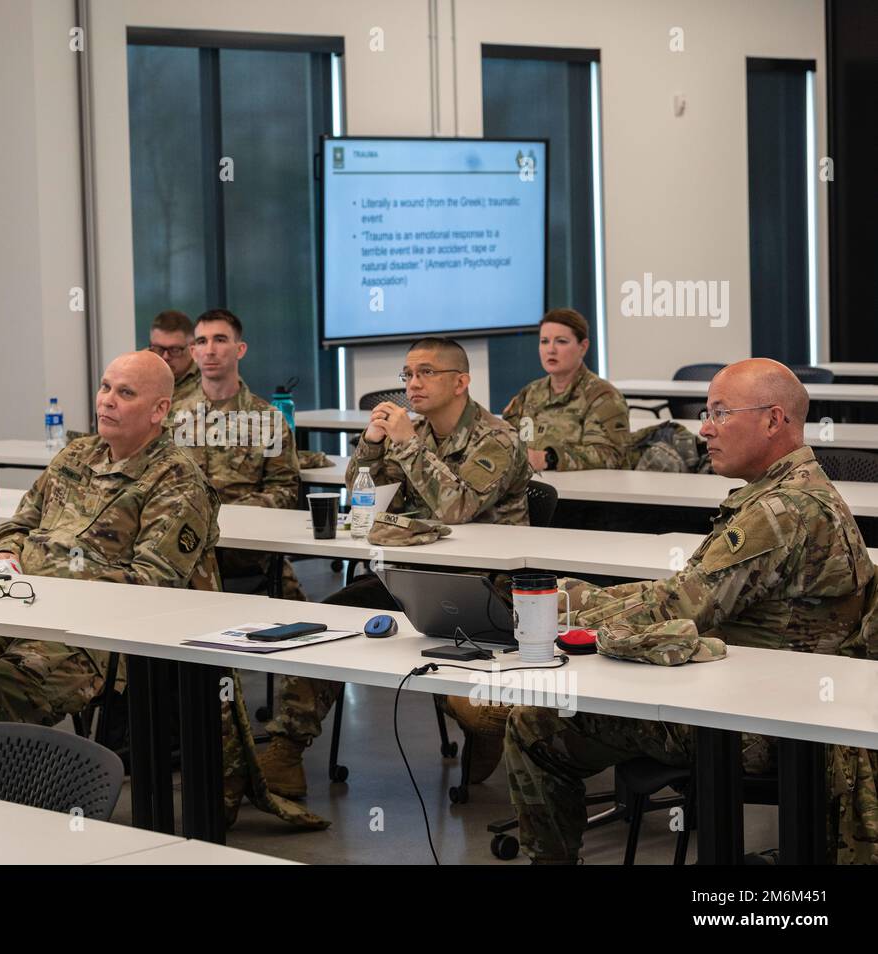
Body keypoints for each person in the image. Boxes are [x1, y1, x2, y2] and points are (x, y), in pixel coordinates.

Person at [506, 359, 878, 864]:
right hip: (775, 702)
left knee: (535, 721)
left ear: (773, 420)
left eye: (721, 414)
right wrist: (577, 598)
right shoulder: (791, 494)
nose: (704, 429)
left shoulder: (781, 511)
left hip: (758, 725)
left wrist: (565, 604)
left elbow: (679, 605)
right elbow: (688, 590)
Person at [0, 350, 220, 780]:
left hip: (88, 636)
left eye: (125, 393)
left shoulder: (176, 480)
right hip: (14, 608)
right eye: (105, 387)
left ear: (159, 410)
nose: (107, 400)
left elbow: (151, 584)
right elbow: (17, 525)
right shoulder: (76, 456)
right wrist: (3, 557)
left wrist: (56, 591)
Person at [258, 336, 531, 796]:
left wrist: (405, 444)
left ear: (461, 382)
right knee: (323, 628)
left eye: (426, 372)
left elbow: (456, 508)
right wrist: (371, 443)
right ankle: (286, 751)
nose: (413, 383)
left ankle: (485, 730)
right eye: (408, 374)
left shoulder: (498, 438)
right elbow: (363, 496)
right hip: (410, 576)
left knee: (465, 693)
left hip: (483, 589)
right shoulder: (417, 433)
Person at [169, 308, 304, 599]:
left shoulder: (267, 418)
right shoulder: (171, 415)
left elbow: (285, 491)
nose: (211, 350)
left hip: (248, 551)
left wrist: (228, 515)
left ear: (239, 349)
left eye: (220, 340)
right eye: (202, 342)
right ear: (192, 351)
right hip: (183, 551)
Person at [502, 308, 630, 472]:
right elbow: (506, 439)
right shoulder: (530, 393)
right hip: (531, 488)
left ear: (583, 347)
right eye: (544, 341)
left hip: (584, 493)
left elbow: (611, 455)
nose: (551, 349)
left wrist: (550, 458)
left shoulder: (602, 397)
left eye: (561, 341)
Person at [148, 309, 202, 405]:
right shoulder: (138, 367)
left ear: (192, 348)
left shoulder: (209, 377)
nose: (165, 357)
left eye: (174, 350)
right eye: (158, 349)